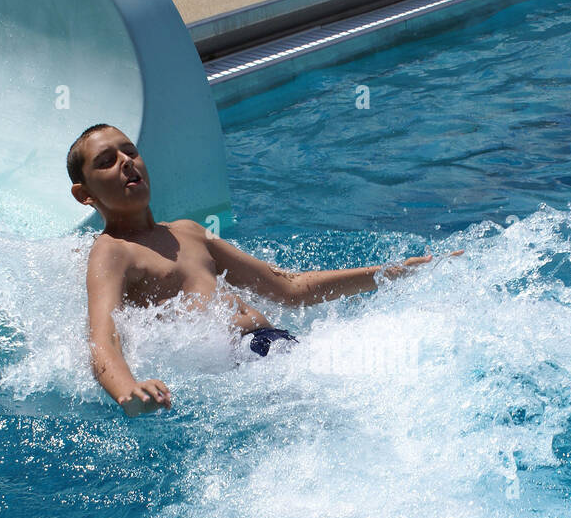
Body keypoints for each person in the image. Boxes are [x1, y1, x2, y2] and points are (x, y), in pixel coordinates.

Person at [68, 124, 459, 415]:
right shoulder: (112, 252)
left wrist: (390, 273)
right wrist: (128, 393)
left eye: (130, 152)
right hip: (246, 371)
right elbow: (104, 340)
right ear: (84, 194)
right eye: (106, 162)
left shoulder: (187, 232)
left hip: (275, 348)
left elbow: (289, 288)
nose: (125, 163)